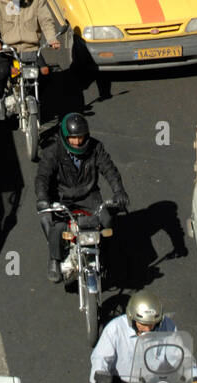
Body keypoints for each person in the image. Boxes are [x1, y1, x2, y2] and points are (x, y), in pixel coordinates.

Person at [36, 113, 129, 284]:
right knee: (57, 227)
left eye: (81, 137)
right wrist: (42, 198)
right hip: (63, 198)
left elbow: (109, 170)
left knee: (107, 220)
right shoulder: (52, 152)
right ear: (65, 137)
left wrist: (119, 191)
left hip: (89, 196)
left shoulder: (96, 148)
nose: (77, 142)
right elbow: (42, 177)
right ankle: (55, 260)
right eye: (73, 138)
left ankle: (102, 254)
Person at [91, 292, 197, 383]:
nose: (148, 329)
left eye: (153, 324)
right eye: (143, 324)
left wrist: (194, 379)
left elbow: (180, 356)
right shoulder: (115, 329)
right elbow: (100, 358)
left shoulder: (166, 326)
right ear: (131, 319)